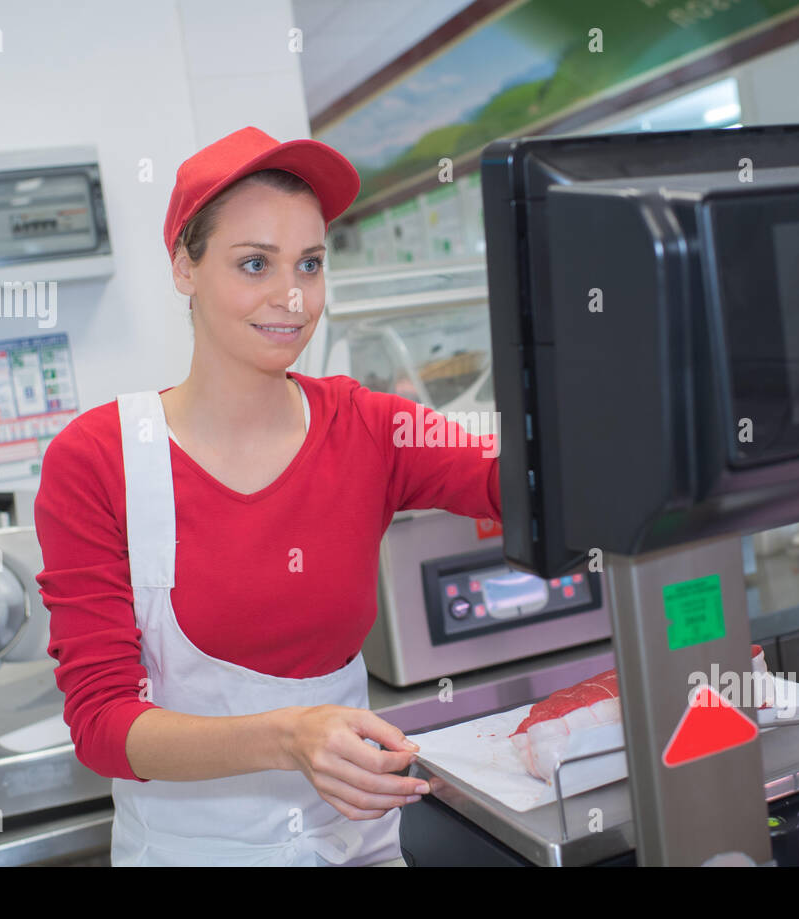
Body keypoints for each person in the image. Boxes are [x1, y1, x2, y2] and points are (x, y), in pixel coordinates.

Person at [33, 126, 500, 865]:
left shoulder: (369, 427)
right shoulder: (99, 460)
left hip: (361, 848)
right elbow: (101, 724)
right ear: (185, 267)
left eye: (309, 265)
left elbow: (518, 482)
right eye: (254, 263)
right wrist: (290, 737)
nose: (292, 297)